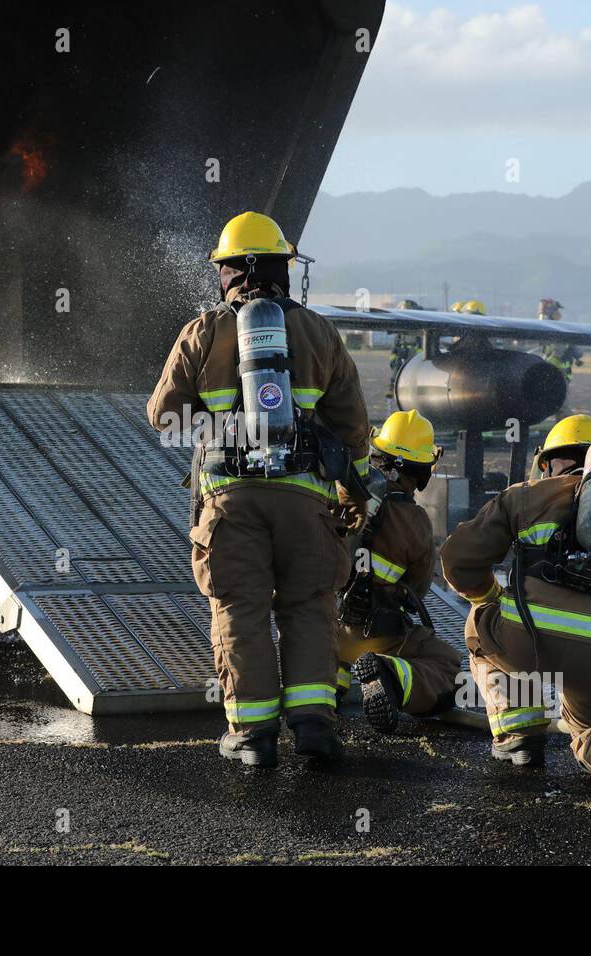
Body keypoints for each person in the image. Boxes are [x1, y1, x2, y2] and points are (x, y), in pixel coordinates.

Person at [148, 211, 370, 768]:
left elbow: (162, 416)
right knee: (310, 607)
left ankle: (251, 738)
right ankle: (315, 727)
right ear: (283, 268)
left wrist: (216, 425)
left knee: (240, 609)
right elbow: (356, 434)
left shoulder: (204, 330)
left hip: (230, 503)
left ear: (227, 273)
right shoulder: (320, 332)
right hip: (306, 504)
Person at [438, 414, 591, 791]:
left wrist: (490, 599)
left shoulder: (524, 495)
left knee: (481, 622)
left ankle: (520, 735)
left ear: (547, 463)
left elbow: (458, 559)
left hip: (525, 641)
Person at [335, 410, 461, 731]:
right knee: (447, 664)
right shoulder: (415, 521)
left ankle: (325, 685)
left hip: (316, 627)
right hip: (375, 636)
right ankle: (390, 677)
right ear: (421, 469)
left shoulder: (338, 491)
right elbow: (416, 591)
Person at [538, 298, 582, 417]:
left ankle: (565, 429)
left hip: (557, 372)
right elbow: (578, 352)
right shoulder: (555, 327)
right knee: (558, 404)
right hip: (556, 372)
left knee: (561, 405)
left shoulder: (556, 328)